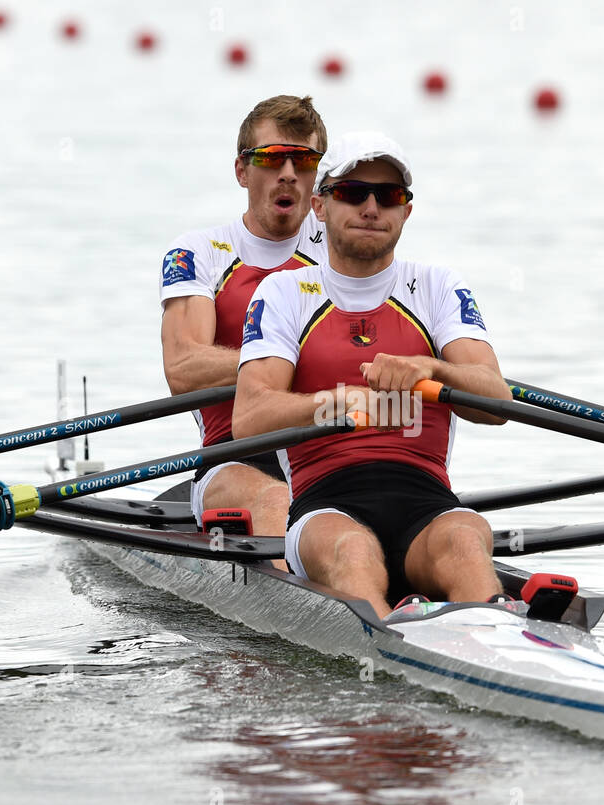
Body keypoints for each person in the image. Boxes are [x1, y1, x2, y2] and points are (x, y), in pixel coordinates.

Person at [232, 131, 514, 619]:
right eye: (352, 192)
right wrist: (337, 403)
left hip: (427, 501)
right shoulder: (284, 293)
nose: (371, 207)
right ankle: (389, 645)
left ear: (406, 211)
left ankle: (496, 635)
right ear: (319, 206)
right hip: (325, 505)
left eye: (388, 196)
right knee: (354, 554)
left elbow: (499, 402)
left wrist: (432, 367)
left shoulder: (436, 287)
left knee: (468, 539)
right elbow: (250, 418)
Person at [159, 95, 328, 545]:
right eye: (273, 158)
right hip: (236, 457)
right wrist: (290, 361)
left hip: (332, 451)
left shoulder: (347, 251)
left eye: (303, 159)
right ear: (242, 170)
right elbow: (183, 369)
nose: (289, 173)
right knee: (278, 502)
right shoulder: (199, 253)